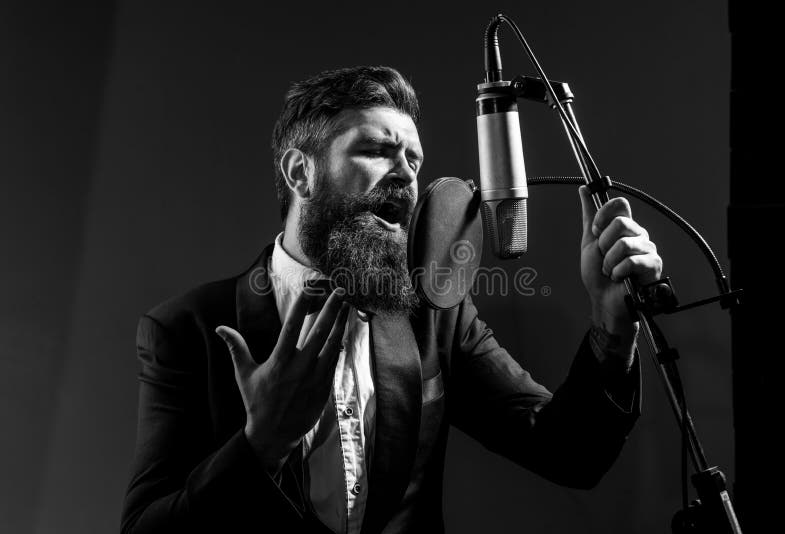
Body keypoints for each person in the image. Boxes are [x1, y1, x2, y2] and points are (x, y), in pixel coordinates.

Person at [121, 66, 662, 534]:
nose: (405, 174)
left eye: (413, 159)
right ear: (300, 171)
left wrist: (611, 326)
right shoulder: (187, 328)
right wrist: (262, 444)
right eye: (378, 150)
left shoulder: (437, 316)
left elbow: (569, 452)